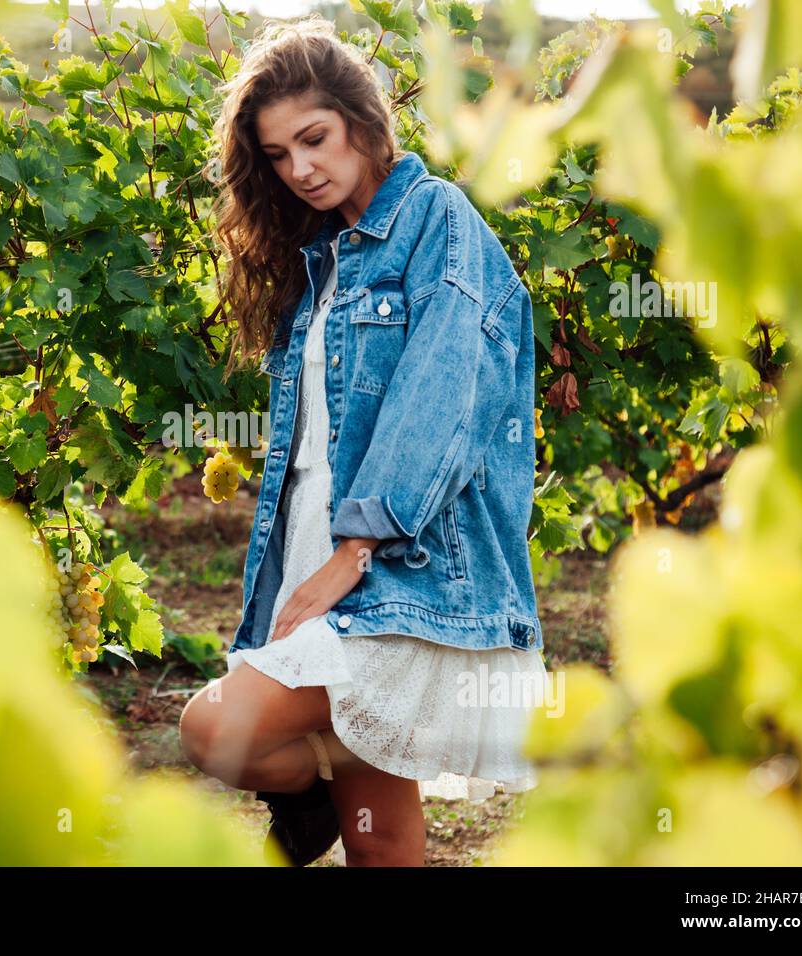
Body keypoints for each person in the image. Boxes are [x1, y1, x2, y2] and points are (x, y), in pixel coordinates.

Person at [179, 16, 551, 868]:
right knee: (380, 848)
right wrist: (325, 550)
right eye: (277, 154)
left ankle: (299, 812)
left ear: (361, 120)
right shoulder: (325, 261)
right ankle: (317, 813)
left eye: (313, 138)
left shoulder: (437, 220)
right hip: (326, 547)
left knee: (217, 728)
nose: (300, 168)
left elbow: (444, 393)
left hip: (400, 562)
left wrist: (356, 548)